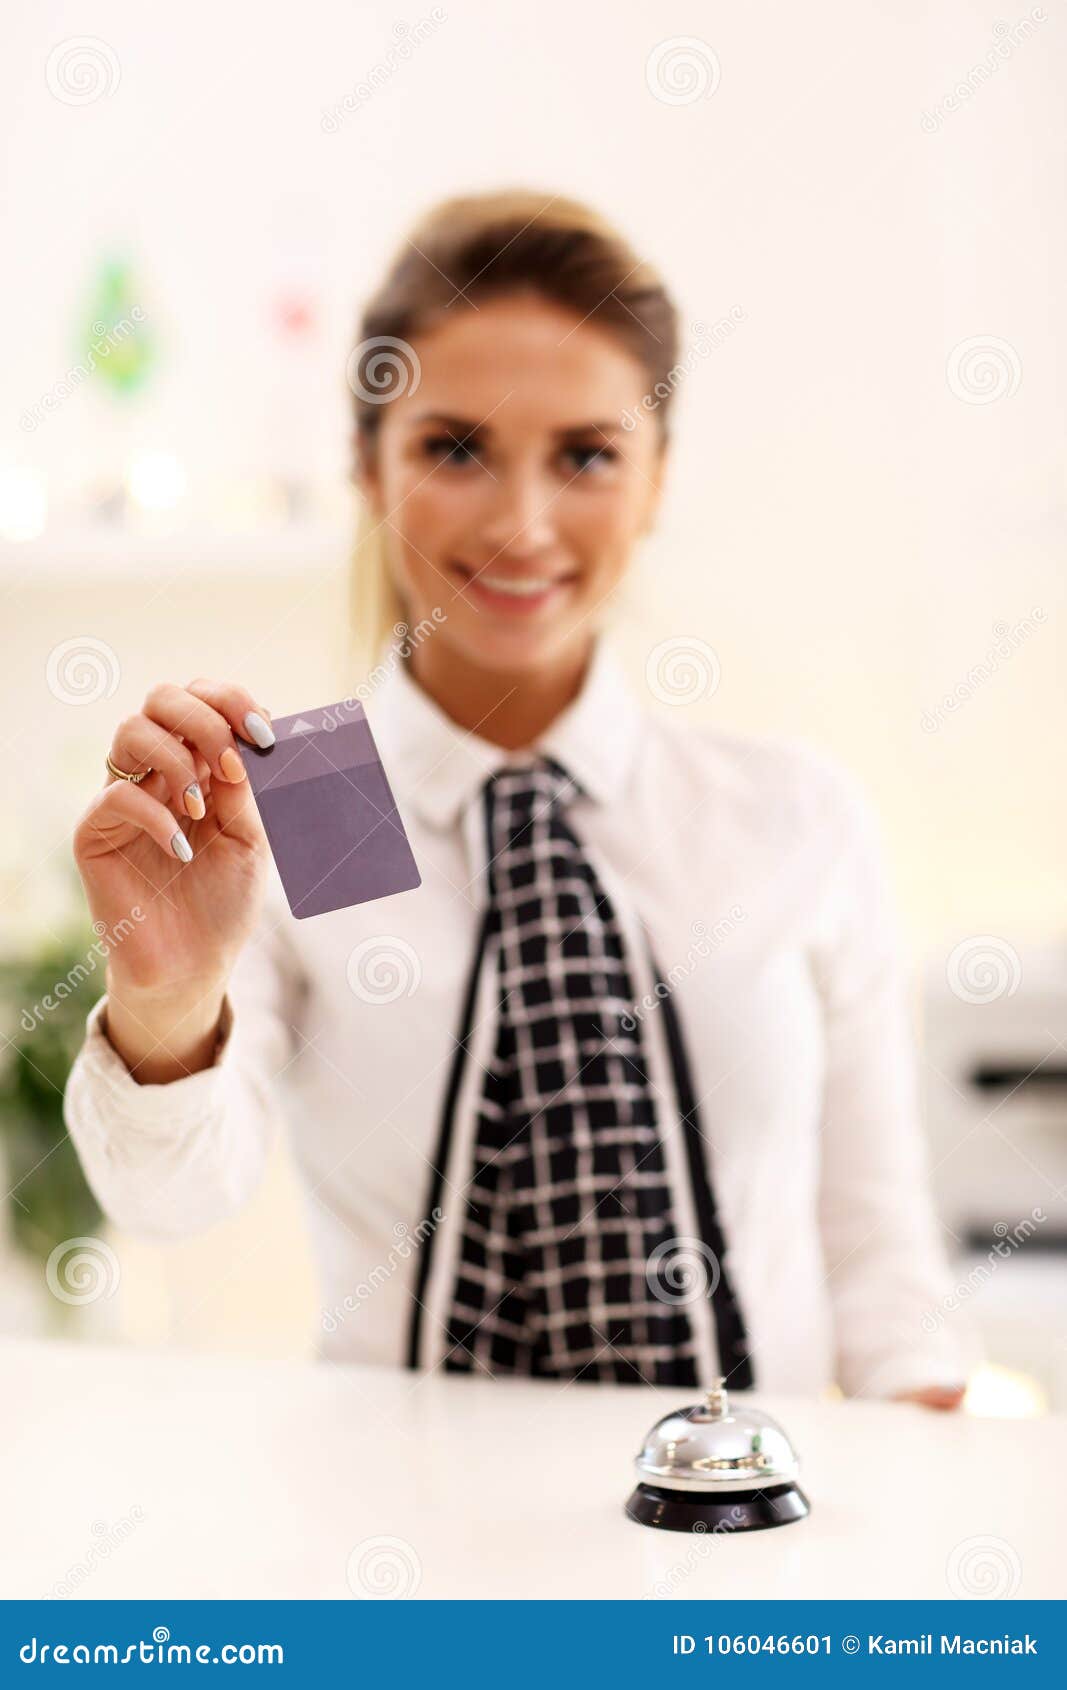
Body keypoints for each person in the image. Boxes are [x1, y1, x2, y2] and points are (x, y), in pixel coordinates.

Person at [64, 190, 965, 1406]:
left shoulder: (790, 816)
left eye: (586, 454)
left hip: (746, 1548)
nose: (523, 522)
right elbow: (174, 1198)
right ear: (367, 469)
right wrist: (165, 994)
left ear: (652, 482)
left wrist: (906, 1544)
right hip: (409, 1556)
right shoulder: (306, 797)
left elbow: (877, 1254)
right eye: (454, 447)